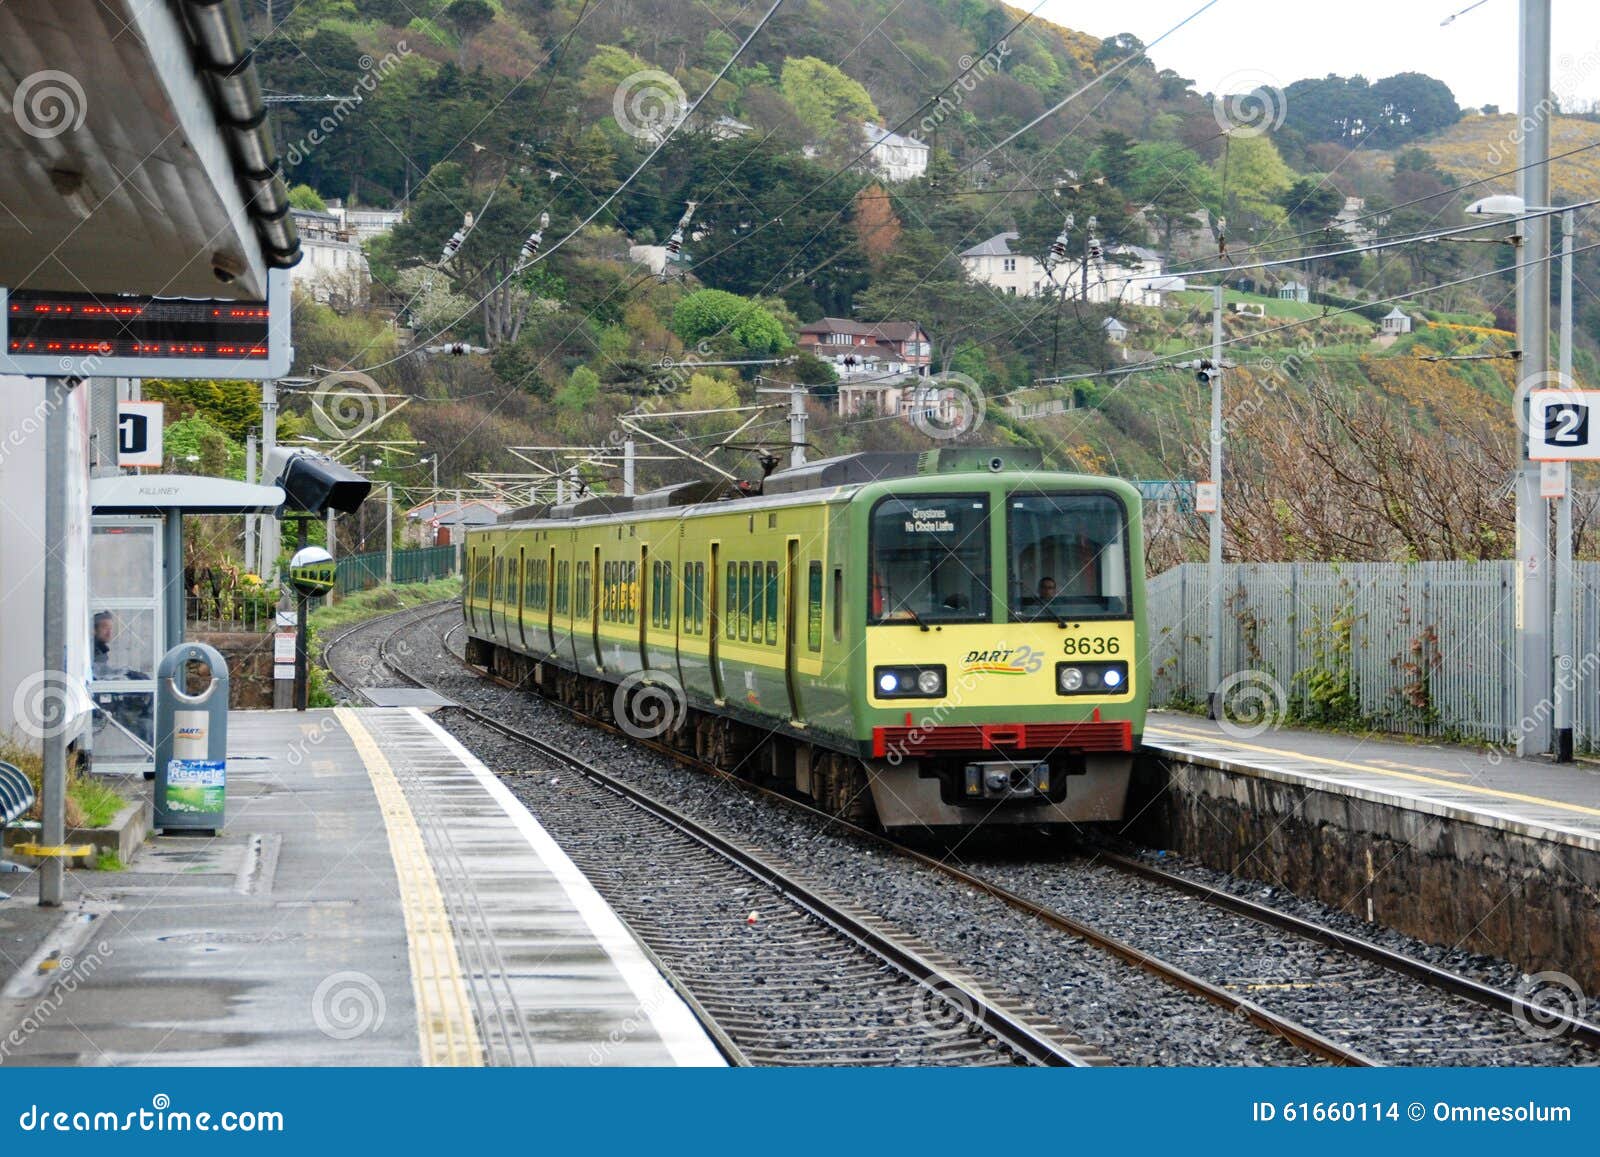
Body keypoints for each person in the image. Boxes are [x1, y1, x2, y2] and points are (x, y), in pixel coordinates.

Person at [92, 611, 114, 678]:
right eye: (105, 628)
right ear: (94, 630)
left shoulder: (101, 649)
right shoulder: (92, 651)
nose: (109, 632)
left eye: (110, 628)